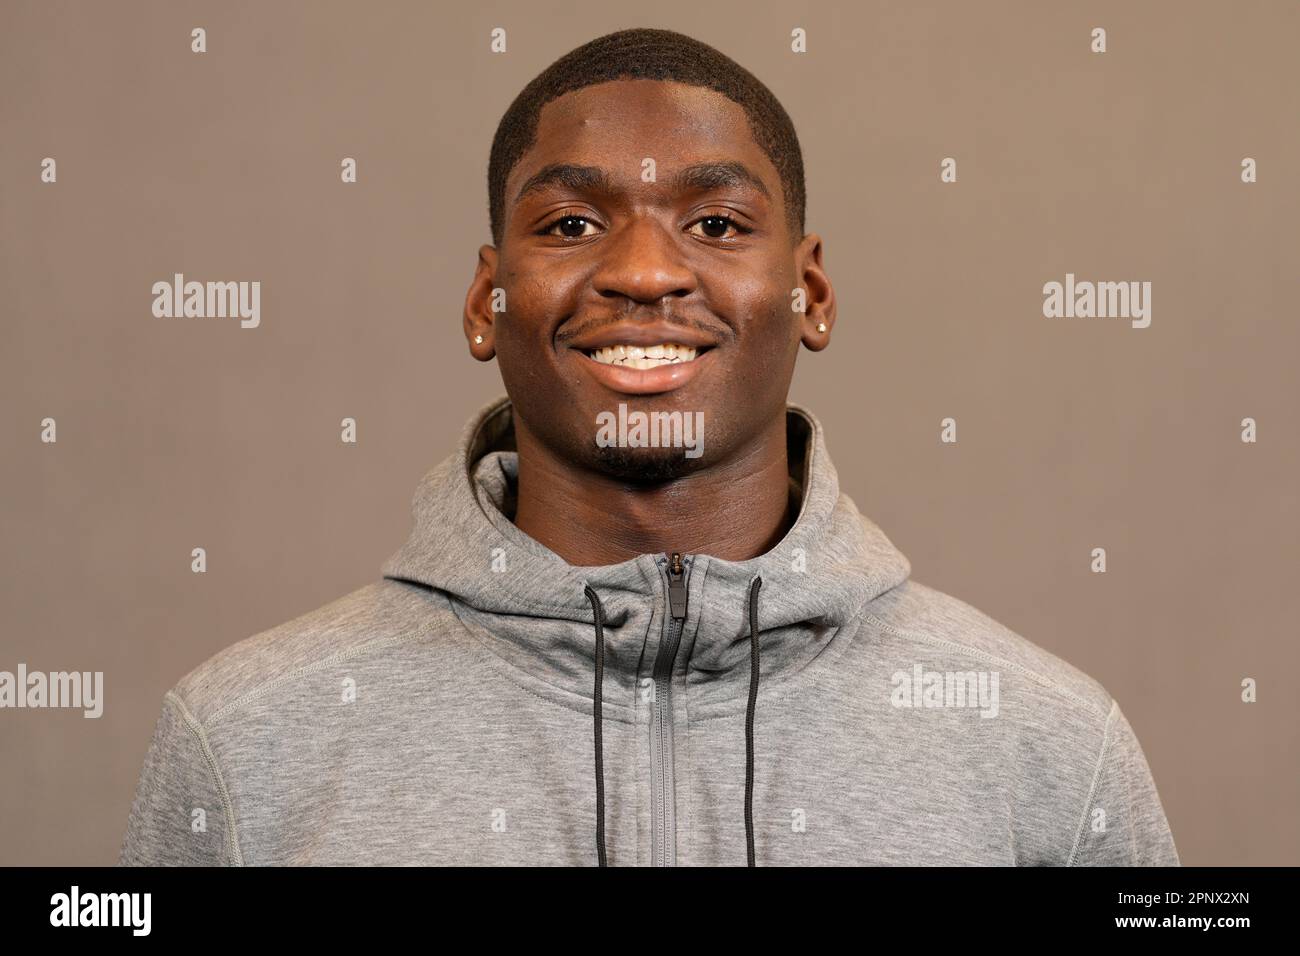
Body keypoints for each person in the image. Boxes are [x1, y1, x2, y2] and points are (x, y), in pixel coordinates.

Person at [120, 27, 1178, 866]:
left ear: (808, 291)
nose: (642, 273)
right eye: (572, 225)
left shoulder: (1046, 741)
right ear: (488, 299)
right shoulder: (249, 739)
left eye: (715, 223)